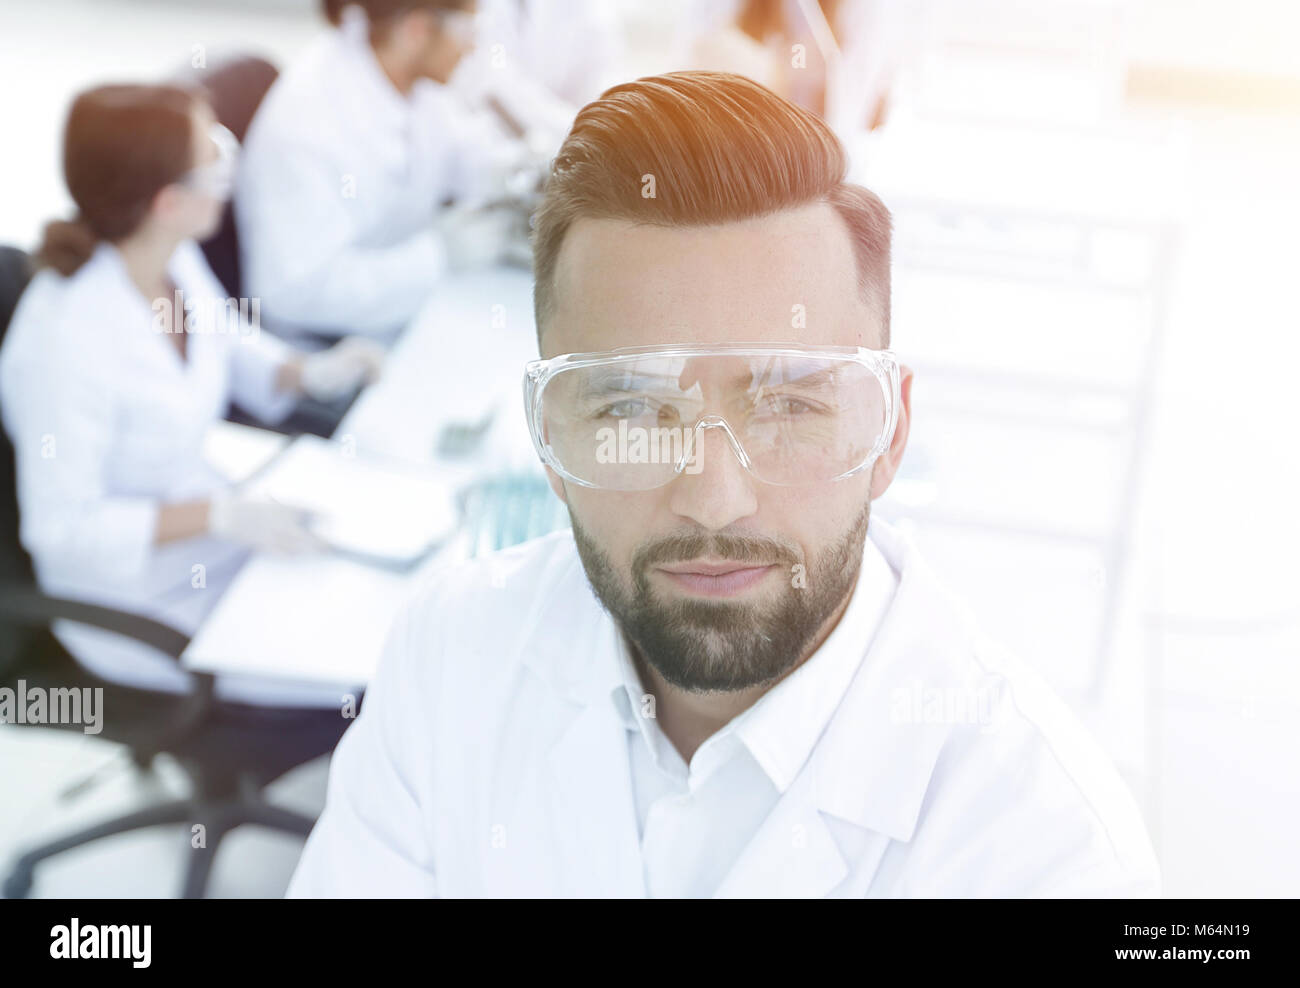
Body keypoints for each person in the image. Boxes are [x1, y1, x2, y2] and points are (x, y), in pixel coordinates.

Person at [288, 72, 1160, 897]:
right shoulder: (450, 655)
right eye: (632, 409)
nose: (713, 500)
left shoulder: (1043, 849)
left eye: (786, 405)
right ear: (549, 440)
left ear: (888, 430)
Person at [0, 84, 382, 706]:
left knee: (369, 599)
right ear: (168, 201)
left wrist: (311, 371)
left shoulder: (166, 259)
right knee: (363, 679)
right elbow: (62, 530)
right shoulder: (65, 342)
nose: (227, 167)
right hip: (137, 610)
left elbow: (226, 341)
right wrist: (216, 516)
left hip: (215, 542)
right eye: (212, 157)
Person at [236, 0, 523, 341]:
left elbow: (461, 152)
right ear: (416, 29)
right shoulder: (310, 125)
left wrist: (514, 170)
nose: (473, 46)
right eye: (467, 29)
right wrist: (437, 256)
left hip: (403, 316)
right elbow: (293, 293)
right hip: (331, 353)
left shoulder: (410, 79)